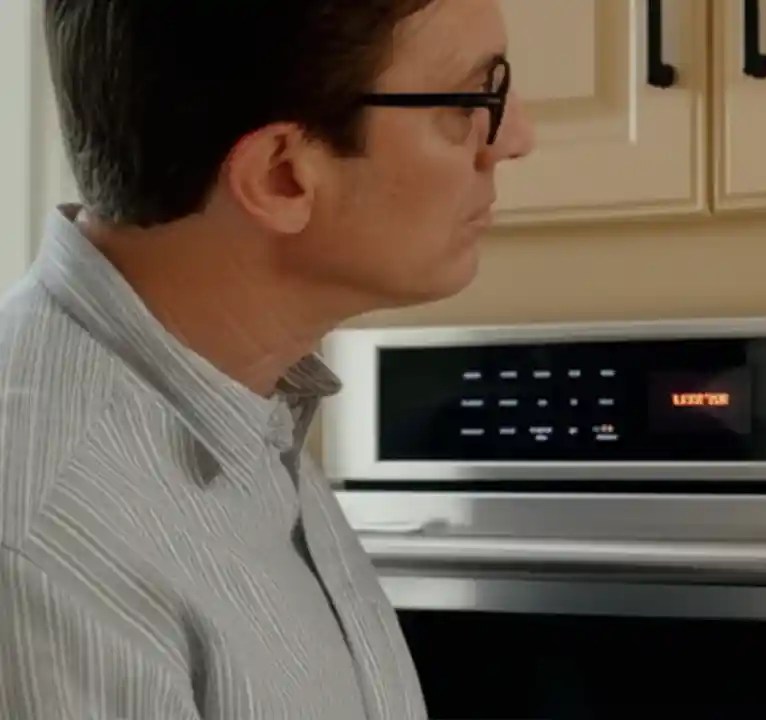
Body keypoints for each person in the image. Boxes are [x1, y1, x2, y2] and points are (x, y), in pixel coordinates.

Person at [0, 0, 534, 717]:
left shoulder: (247, 401)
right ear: (282, 176)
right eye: (471, 101)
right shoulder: (48, 546)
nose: (517, 138)